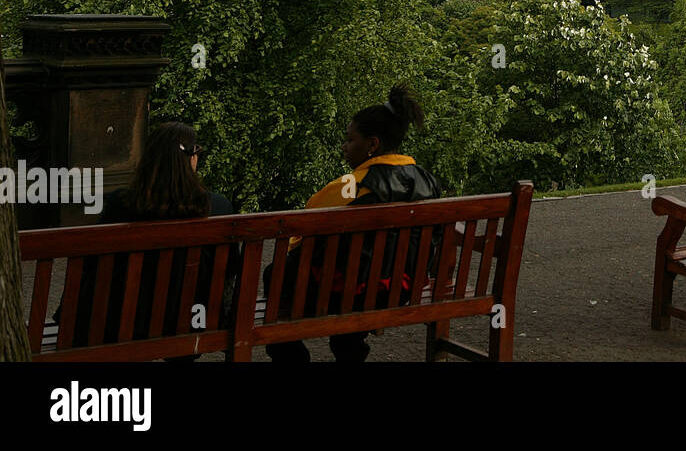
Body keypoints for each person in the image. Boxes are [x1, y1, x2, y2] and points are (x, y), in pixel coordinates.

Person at [266, 84, 441, 362]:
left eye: (350, 140)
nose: (345, 147)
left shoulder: (351, 186)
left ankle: (289, 353)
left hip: (348, 292)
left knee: (277, 272)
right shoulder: (427, 180)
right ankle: (350, 349)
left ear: (372, 144)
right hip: (402, 288)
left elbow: (303, 225)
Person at [62, 122, 234, 354]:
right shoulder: (218, 206)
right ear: (191, 159)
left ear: (149, 159)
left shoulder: (120, 204)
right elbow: (232, 267)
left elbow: (94, 264)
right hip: (193, 321)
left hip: (125, 323)